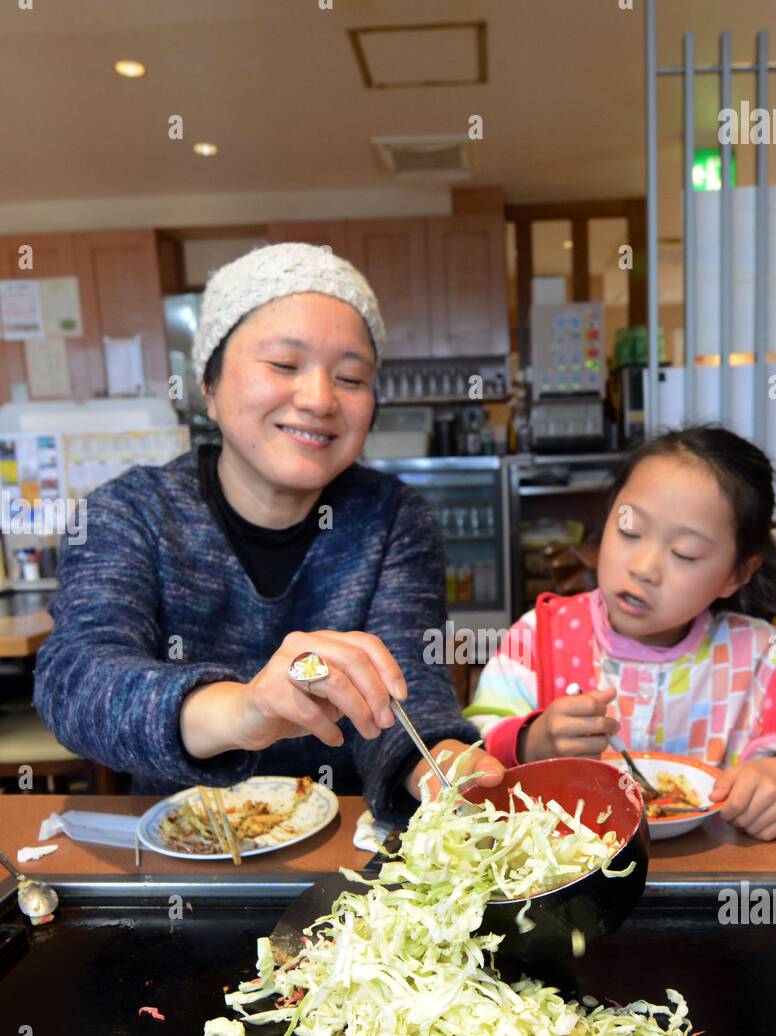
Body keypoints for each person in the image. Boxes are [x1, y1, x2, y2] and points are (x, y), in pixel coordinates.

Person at [34, 242, 503, 817]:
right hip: (180, 846)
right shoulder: (131, 511)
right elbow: (77, 682)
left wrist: (443, 763)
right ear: (208, 386)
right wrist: (243, 710)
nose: (320, 398)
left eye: (351, 377)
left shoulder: (393, 519)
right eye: (284, 365)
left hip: (344, 847)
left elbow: (408, 695)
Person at [465, 425, 776, 841]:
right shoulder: (539, 638)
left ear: (737, 575)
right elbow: (467, 755)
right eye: (629, 529)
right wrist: (531, 740)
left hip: (723, 894)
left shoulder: (760, 659)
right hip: (570, 891)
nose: (643, 567)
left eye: (685, 553)